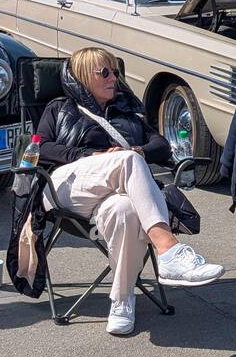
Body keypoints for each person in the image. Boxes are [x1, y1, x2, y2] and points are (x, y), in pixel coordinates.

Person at [35, 47, 224, 335]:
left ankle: (122, 301)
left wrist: (134, 149)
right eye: (105, 72)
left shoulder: (128, 111)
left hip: (116, 195)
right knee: (127, 161)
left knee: (124, 211)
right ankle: (168, 249)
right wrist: (94, 157)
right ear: (85, 77)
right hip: (68, 186)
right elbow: (41, 148)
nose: (114, 78)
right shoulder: (60, 108)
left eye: (115, 72)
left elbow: (161, 145)